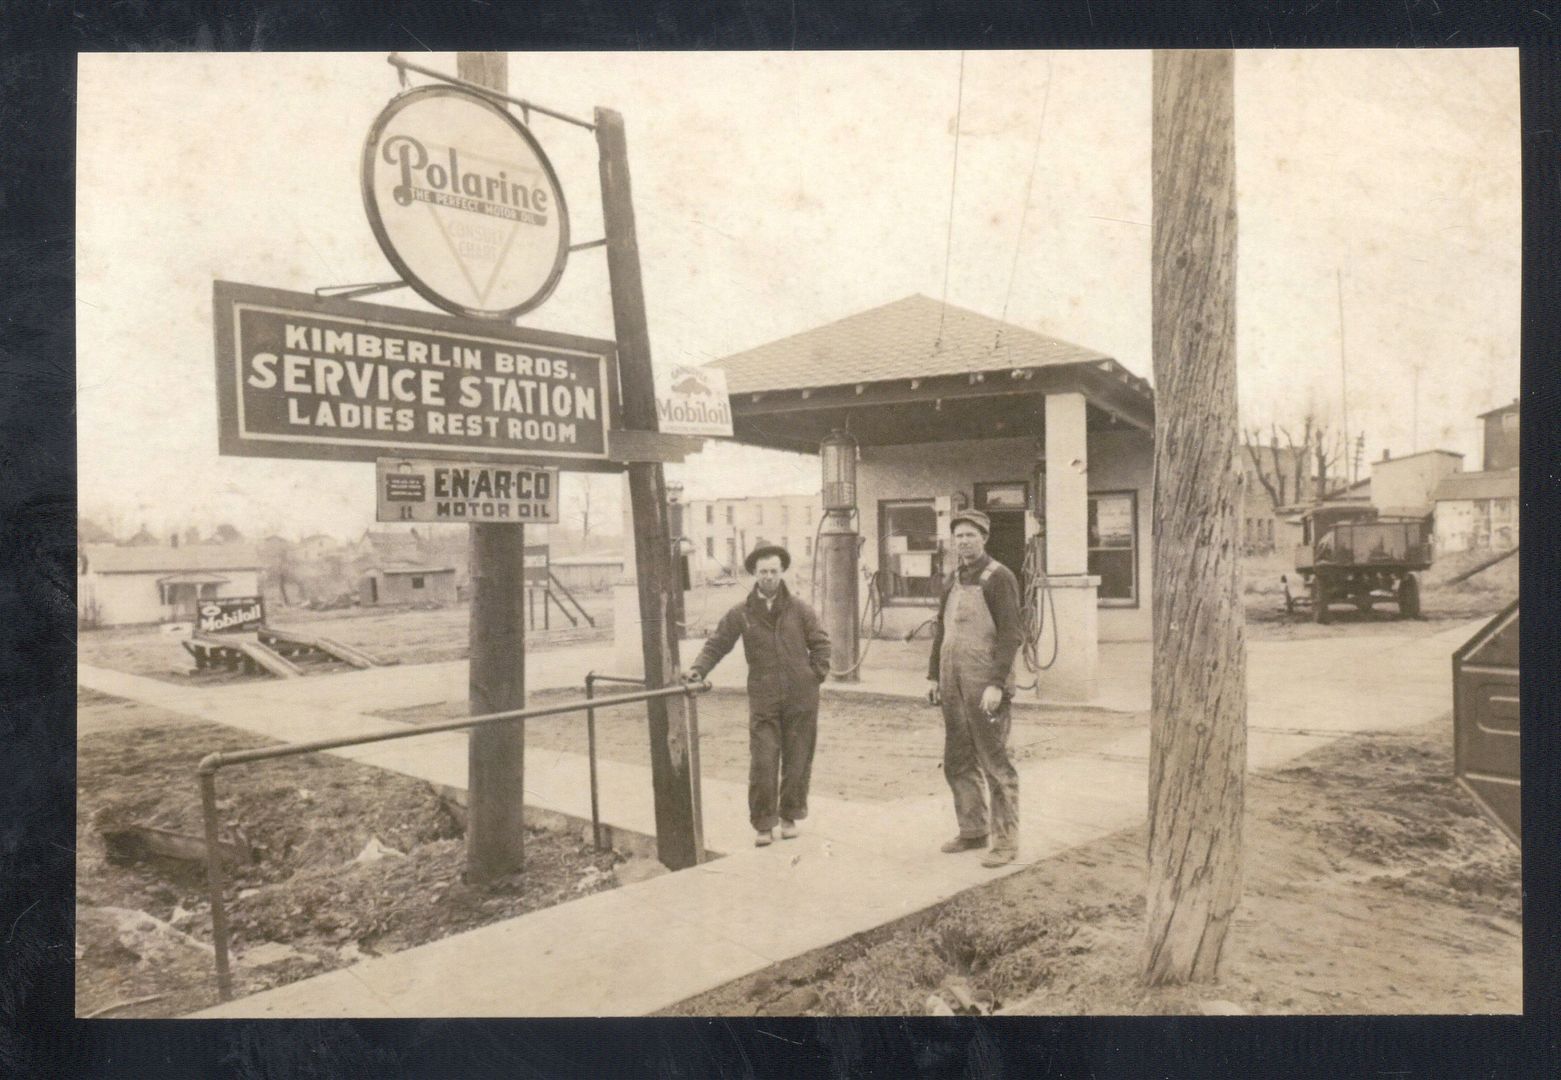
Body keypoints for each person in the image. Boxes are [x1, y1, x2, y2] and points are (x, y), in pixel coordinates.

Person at [685, 543, 831, 847]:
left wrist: (815, 674)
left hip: (801, 698)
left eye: (774, 571)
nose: (768, 577)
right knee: (763, 761)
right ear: (754, 573)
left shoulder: (801, 609)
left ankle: (789, 816)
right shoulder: (742, 613)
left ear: (781, 572)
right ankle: (764, 823)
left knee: (797, 760)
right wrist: (699, 669)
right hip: (764, 698)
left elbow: (821, 643)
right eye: (763, 571)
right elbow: (717, 644)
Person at [925, 509, 1023, 868]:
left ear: (984, 537)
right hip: (953, 682)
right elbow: (941, 628)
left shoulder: (999, 577)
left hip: (985, 684)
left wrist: (997, 683)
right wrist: (934, 675)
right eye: (959, 535)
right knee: (957, 760)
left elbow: (1012, 634)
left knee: (996, 763)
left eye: (971, 534)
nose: (964, 541)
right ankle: (973, 830)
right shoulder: (953, 578)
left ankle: (1006, 842)